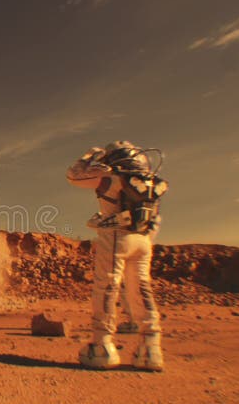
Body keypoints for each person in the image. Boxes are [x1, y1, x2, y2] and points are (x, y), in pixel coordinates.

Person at [66, 141, 169, 371]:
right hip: (143, 241)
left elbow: (73, 176)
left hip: (116, 239)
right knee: (140, 289)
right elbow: (155, 220)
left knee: (107, 287)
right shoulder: (153, 184)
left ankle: (102, 347)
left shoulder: (111, 179)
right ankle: (151, 348)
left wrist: (90, 154)